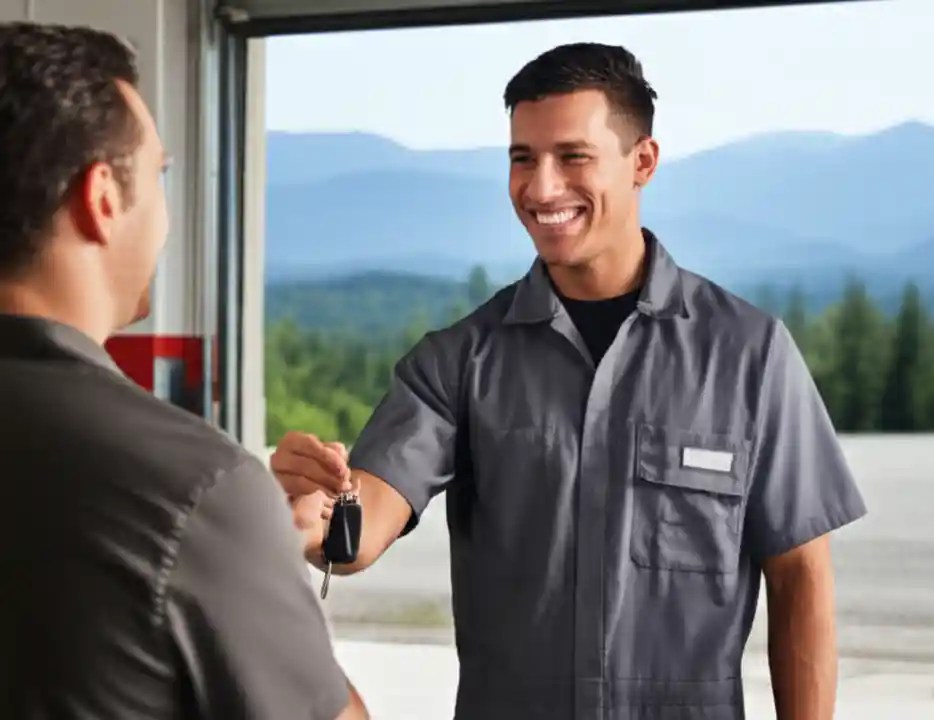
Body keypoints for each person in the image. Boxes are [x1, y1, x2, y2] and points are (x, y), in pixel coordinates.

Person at [275, 42, 866, 720]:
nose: (541, 187)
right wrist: (322, 513)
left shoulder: (751, 355)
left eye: (572, 157)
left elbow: (801, 581)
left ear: (642, 161)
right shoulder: (460, 361)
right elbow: (365, 515)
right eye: (522, 158)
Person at [0, 22, 367, 719]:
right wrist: (250, 561)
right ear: (102, 197)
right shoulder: (195, 486)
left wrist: (242, 551)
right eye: (160, 175)